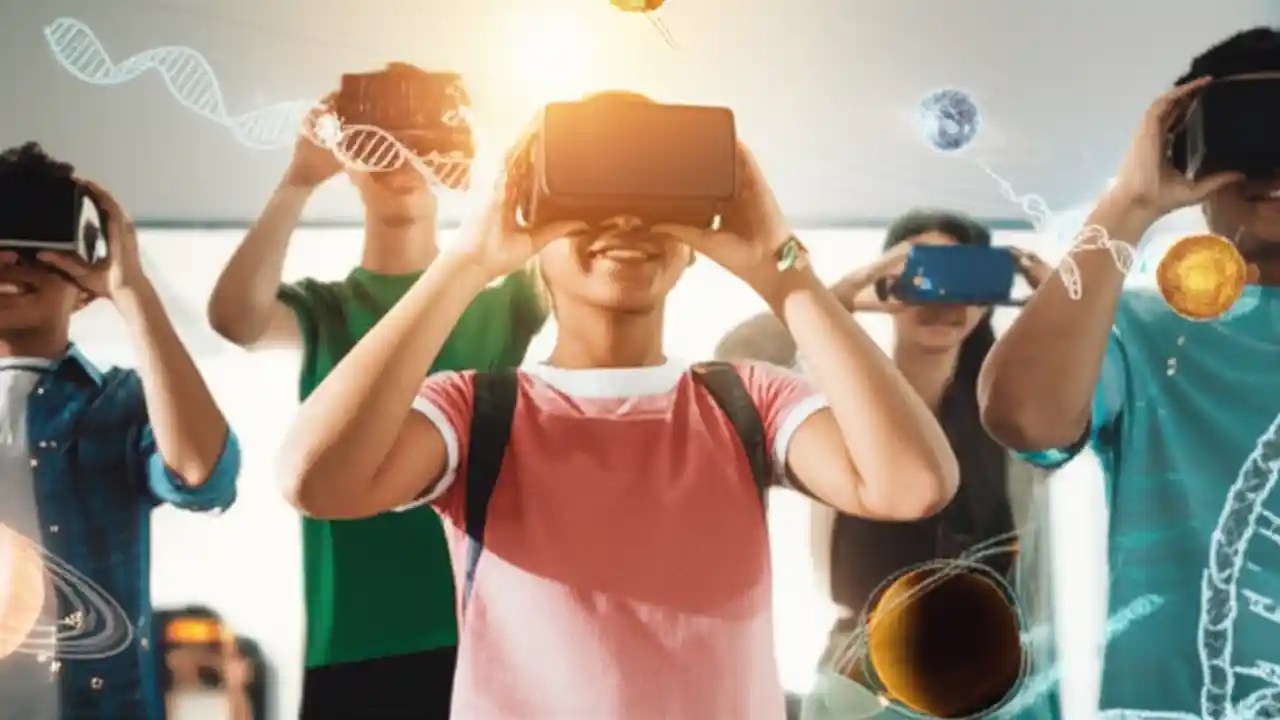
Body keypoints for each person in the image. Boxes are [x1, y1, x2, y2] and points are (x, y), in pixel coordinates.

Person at [276, 92, 960, 719]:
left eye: (655, 202)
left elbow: (913, 484)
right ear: (535, 240)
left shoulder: (746, 399)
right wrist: (467, 262)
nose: (627, 221)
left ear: (690, 248)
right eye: (593, 200)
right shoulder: (474, 410)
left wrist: (785, 276)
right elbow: (319, 479)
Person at [207, 90, 545, 718]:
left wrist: (504, 152)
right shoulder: (324, 311)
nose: (403, 157)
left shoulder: (501, 304)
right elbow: (233, 318)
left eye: (425, 142)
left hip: (482, 631)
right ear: (348, 156)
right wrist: (301, 177)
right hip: (353, 640)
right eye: (379, 139)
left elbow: (569, 242)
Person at [978, 27, 1280, 717]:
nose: (1270, 164)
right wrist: (1130, 203)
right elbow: (1025, 418)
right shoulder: (1136, 326)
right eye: (1244, 132)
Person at [716, 209, 1059, 719]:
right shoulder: (837, 403)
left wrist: (1063, 306)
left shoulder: (1013, 413)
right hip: (862, 678)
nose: (944, 297)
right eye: (923, 273)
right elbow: (736, 367)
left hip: (998, 678)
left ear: (989, 292)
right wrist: (842, 295)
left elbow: (1101, 388)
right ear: (888, 280)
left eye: (965, 275)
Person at [0, 142, 239, 720]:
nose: (8, 263)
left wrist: (132, 292)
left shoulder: (124, 403)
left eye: (36, 249)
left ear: (83, 280)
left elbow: (202, 477)